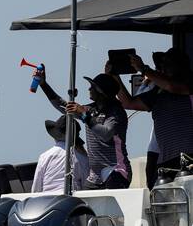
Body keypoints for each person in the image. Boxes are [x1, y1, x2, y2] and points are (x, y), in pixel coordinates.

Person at [38, 65, 130, 188]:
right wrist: (44, 84)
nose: (89, 89)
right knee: (85, 204)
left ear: (101, 92)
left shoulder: (116, 112)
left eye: (92, 87)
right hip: (95, 175)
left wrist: (84, 115)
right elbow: (62, 106)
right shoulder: (90, 109)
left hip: (116, 170)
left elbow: (106, 134)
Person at [118, 50, 193, 185]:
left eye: (168, 64)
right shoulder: (158, 90)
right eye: (163, 64)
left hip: (189, 156)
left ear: (180, 65)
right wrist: (114, 77)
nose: (163, 68)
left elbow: (172, 86)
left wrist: (144, 69)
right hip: (166, 159)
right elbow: (128, 103)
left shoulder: (189, 82)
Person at [32, 115, 89, 194]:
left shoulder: (44, 156)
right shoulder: (82, 157)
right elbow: (86, 186)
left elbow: (36, 187)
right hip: (71, 201)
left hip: (47, 200)